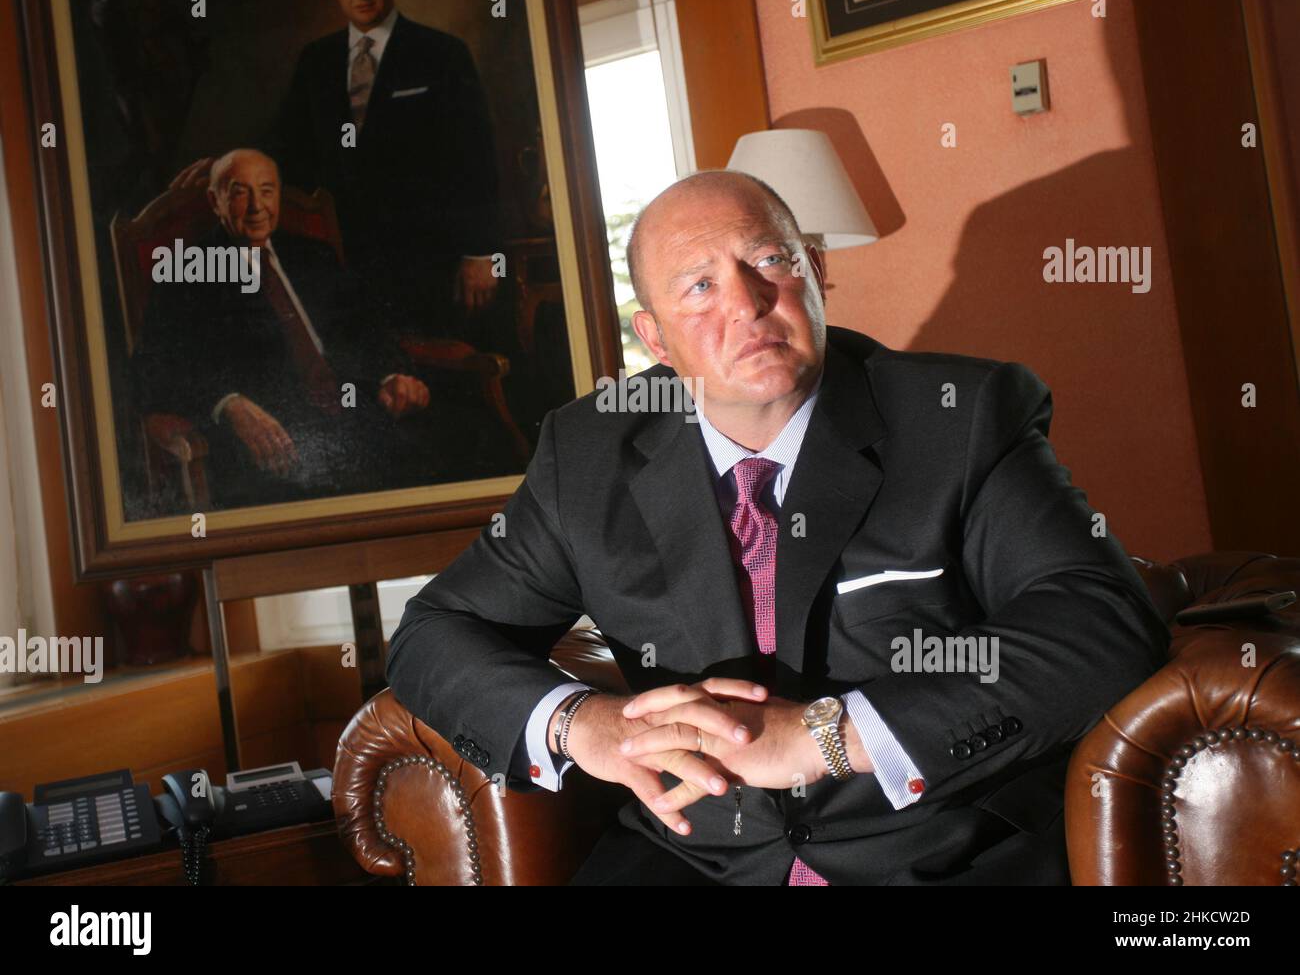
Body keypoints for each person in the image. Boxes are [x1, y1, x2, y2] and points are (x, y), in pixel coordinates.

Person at [385, 170, 1170, 885]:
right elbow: (435, 631)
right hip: (699, 858)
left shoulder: (960, 418)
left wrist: (820, 736)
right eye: (698, 286)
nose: (746, 303)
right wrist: (585, 725)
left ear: (817, 272)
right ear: (653, 339)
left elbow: (1100, 620)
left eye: (769, 261)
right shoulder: (587, 454)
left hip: (936, 852)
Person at [174, 0, 501, 337]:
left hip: (430, 254)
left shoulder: (442, 53)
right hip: (345, 255)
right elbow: (286, 146)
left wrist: (481, 252)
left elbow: (478, 157)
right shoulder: (316, 60)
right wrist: (223, 165)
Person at [134, 148, 434, 509]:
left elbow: (364, 325)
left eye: (267, 190)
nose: (257, 206)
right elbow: (154, 369)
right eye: (241, 192)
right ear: (216, 201)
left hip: (358, 409)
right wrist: (227, 402)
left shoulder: (314, 254)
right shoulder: (187, 269)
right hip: (273, 435)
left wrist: (391, 375)